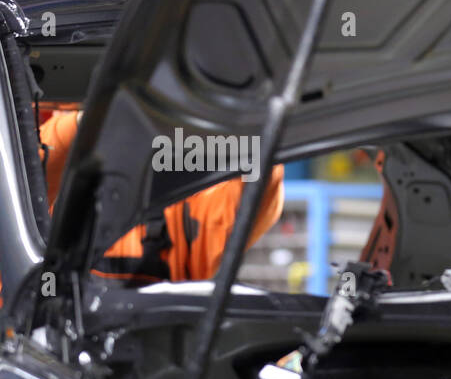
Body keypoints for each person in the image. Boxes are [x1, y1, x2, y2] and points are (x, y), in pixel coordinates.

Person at [39, 108, 284, 285]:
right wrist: (94, 117)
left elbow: (258, 178)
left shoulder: (183, 217)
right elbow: (40, 163)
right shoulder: (28, 210)